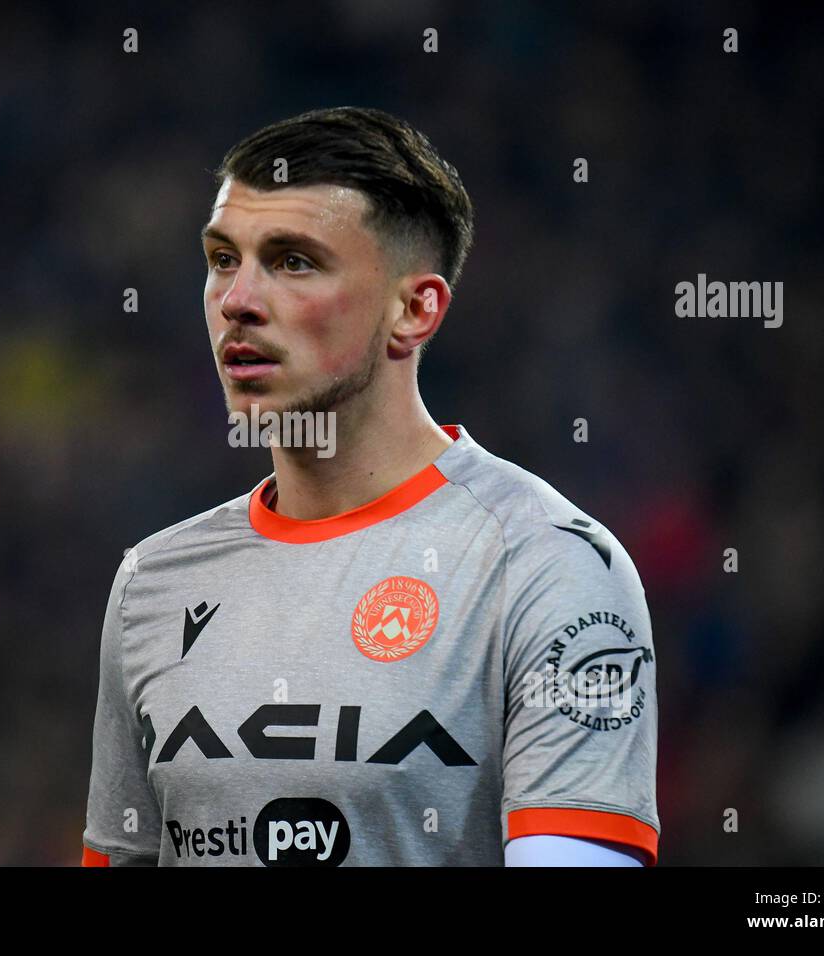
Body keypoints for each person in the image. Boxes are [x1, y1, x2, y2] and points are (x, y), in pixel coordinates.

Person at [82, 106, 658, 866]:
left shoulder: (548, 568)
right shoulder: (151, 581)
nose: (236, 301)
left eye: (293, 262)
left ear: (414, 311)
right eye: (224, 258)